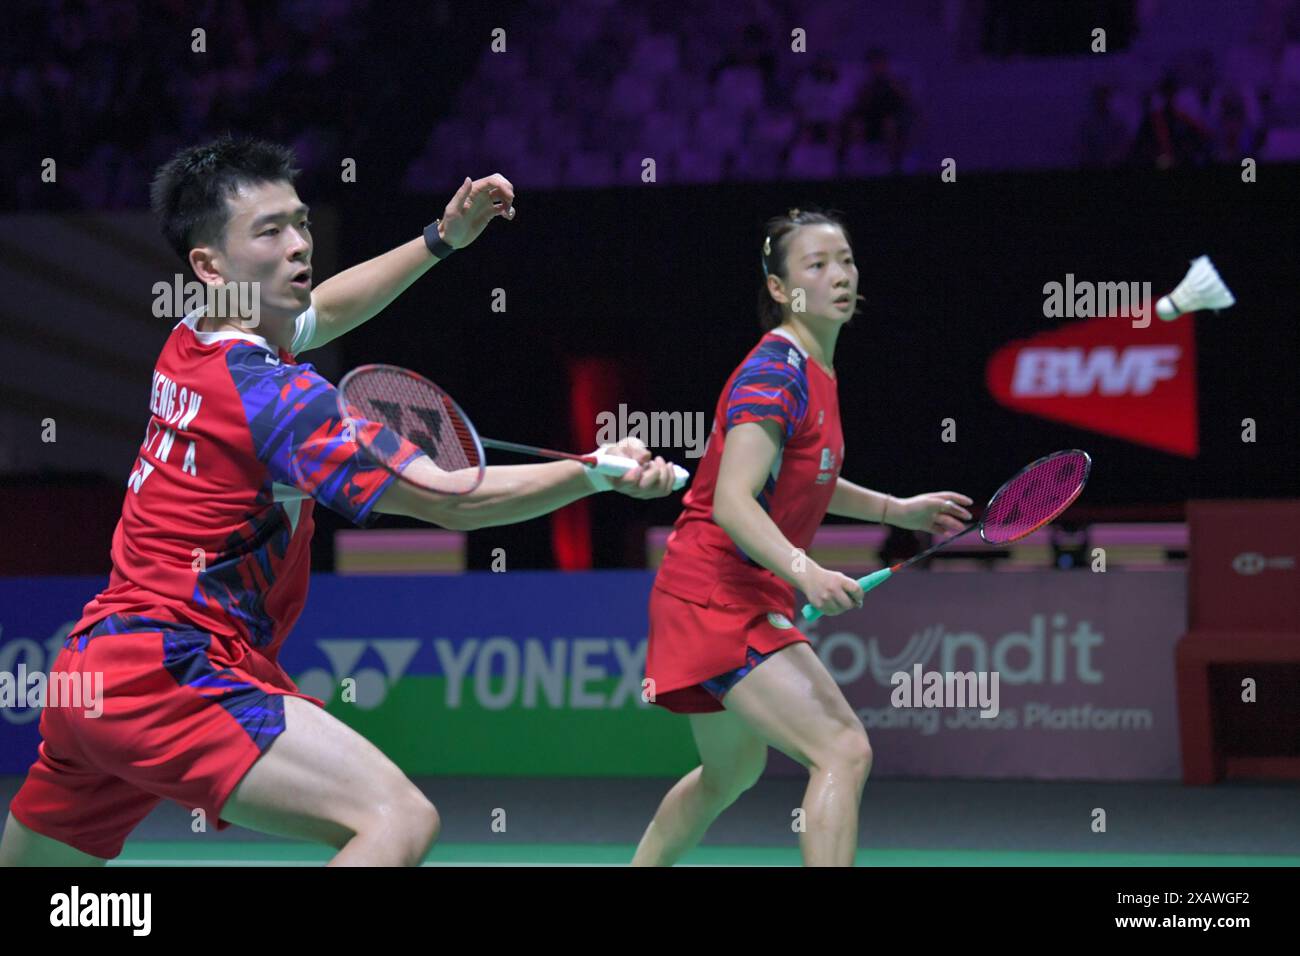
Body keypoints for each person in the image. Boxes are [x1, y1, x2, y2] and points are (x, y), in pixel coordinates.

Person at [0, 135, 678, 867]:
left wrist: (439, 240)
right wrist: (591, 475)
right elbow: (448, 499)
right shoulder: (279, 399)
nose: (298, 246)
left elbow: (324, 310)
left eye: (301, 224)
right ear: (209, 265)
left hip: (96, 674)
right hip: (177, 668)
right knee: (396, 820)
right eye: (269, 231)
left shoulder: (195, 340)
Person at [633, 209, 972, 866]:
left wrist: (895, 510)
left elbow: (809, 474)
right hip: (716, 595)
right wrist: (806, 570)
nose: (840, 275)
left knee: (729, 775)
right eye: (817, 265)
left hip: (718, 589)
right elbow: (733, 501)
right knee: (842, 749)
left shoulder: (818, 370)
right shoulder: (775, 374)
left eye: (844, 259)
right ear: (784, 291)